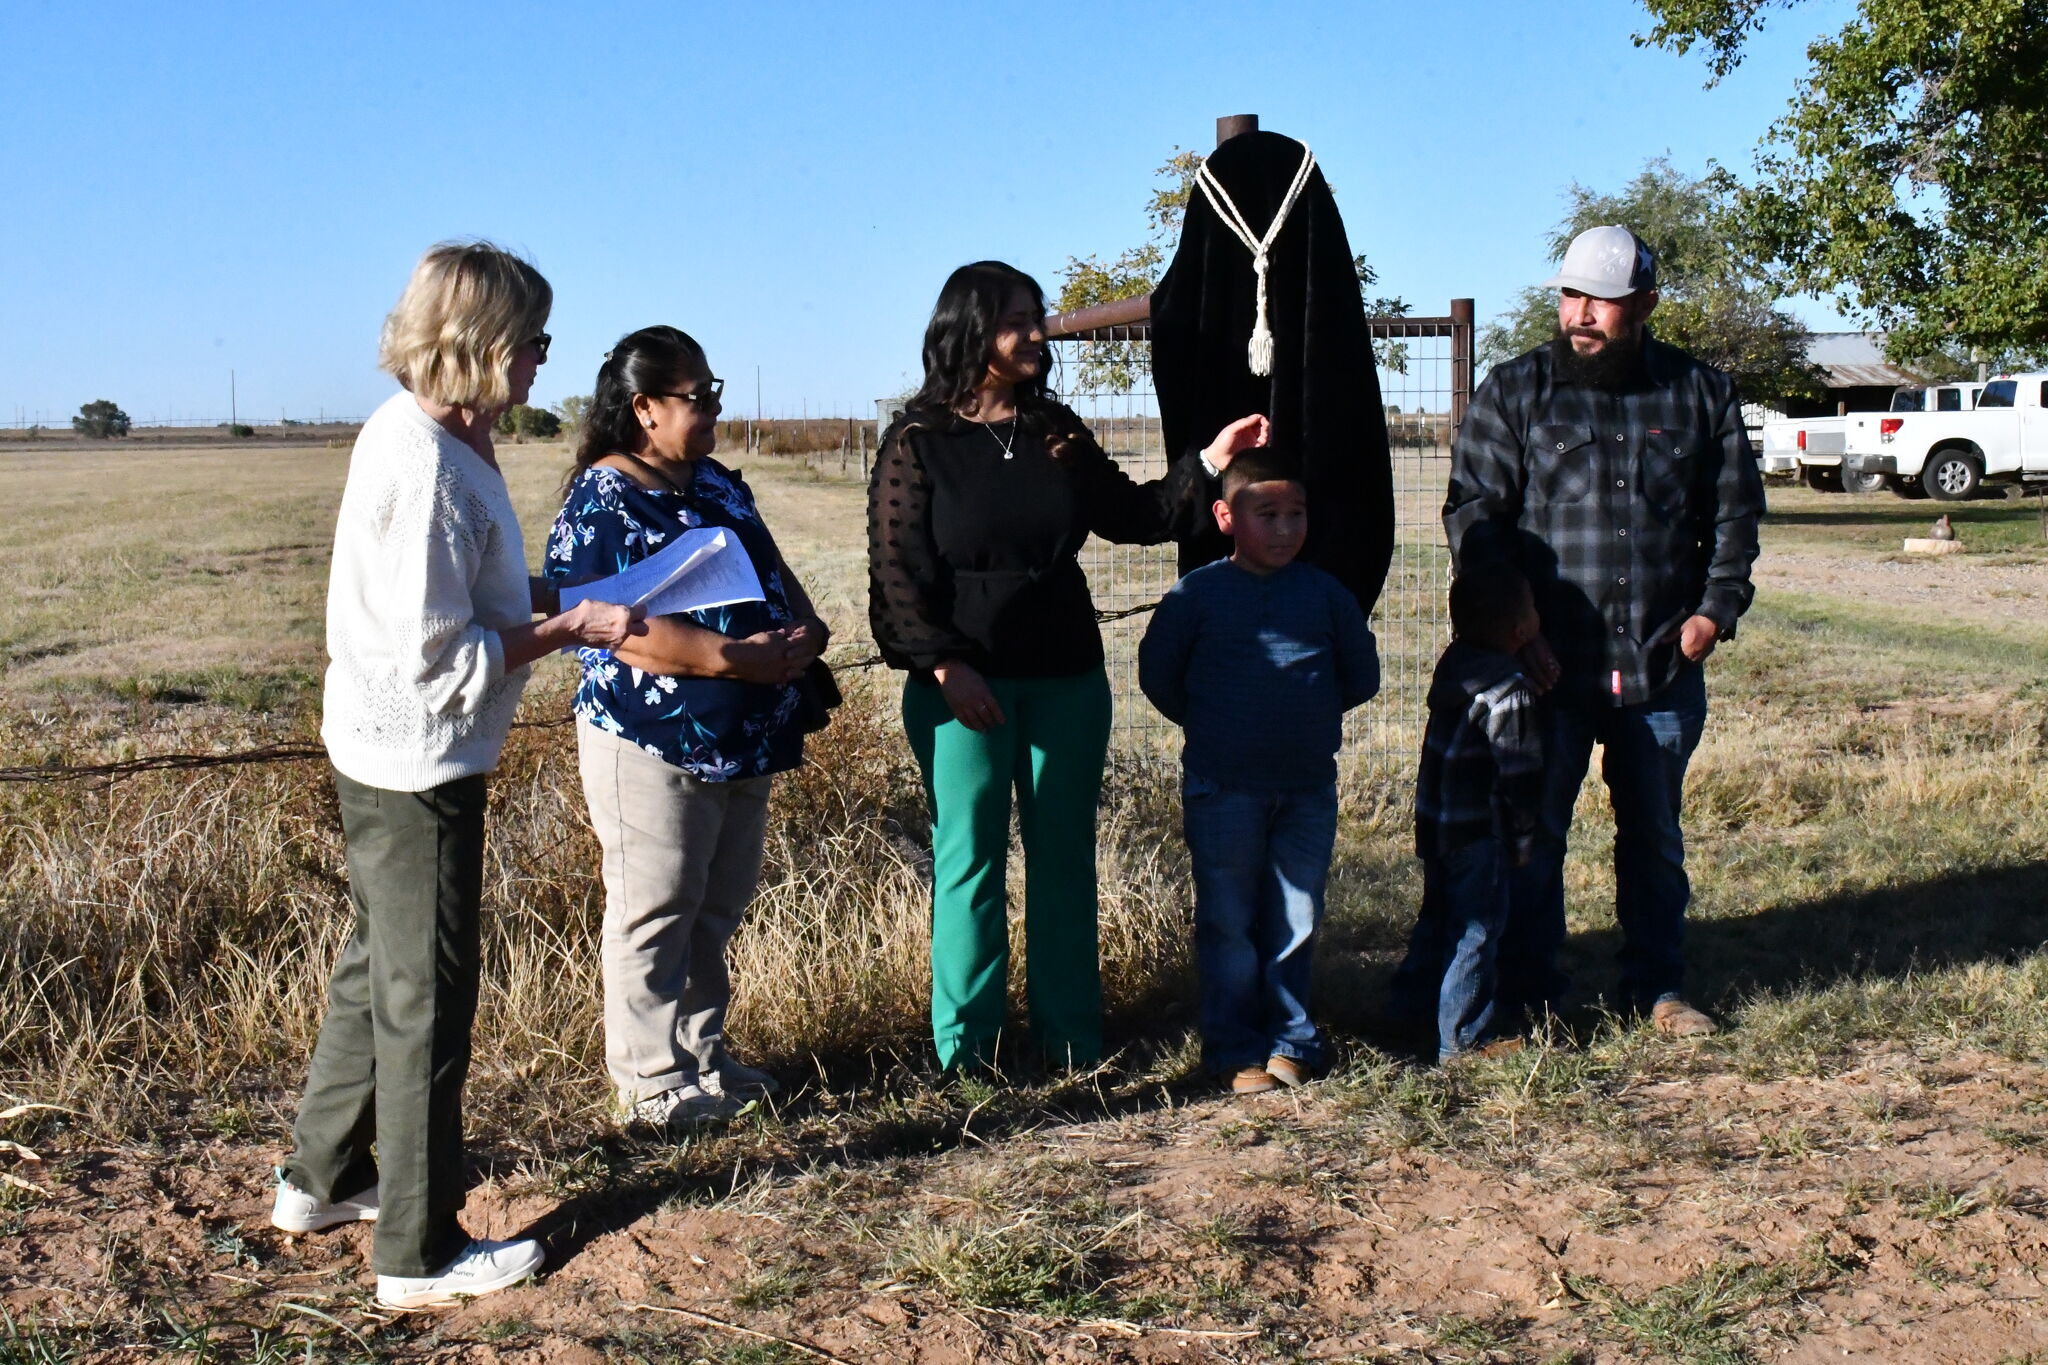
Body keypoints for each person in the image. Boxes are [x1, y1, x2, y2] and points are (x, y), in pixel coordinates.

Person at [275, 242, 643, 1309]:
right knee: (427, 996)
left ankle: (320, 1178)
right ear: (481, 345)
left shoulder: (430, 431)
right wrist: (568, 624)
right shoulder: (429, 466)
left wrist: (544, 591)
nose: (542, 359)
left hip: (382, 749)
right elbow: (440, 661)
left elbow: (451, 599)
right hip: (416, 764)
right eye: (531, 340)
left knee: (375, 967)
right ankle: (417, 1252)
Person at [868, 260, 1269, 1075]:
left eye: (1037, 315)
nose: (1037, 333)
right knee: (970, 862)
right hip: (962, 688)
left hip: (1067, 677)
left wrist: (1212, 457)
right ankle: (966, 1054)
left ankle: (1071, 1040)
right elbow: (896, 573)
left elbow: (1141, 514)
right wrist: (946, 667)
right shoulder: (919, 442)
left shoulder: (1055, 429)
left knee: (1063, 858)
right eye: (1016, 319)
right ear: (969, 330)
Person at [1443, 225, 1765, 1037]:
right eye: (1572, 295)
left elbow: (1735, 514)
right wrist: (1519, 627)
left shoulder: (1700, 393)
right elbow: (1476, 518)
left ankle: (1657, 989)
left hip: (1663, 662)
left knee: (1655, 837)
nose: (1583, 315)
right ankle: (1534, 995)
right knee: (1535, 837)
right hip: (1548, 669)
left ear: (1645, 305)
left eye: (1604, 302)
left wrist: (1711, 613)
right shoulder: (1515, 391)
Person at [543, 325, 829, 1130]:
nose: (710, 409)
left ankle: (704, 1057)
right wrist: (735, 658)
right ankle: (647, 1080)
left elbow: (772, 568)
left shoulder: (717, 483)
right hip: (649, 735)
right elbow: (603, 621)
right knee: (654, 905)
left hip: (739, 734)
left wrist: (803, 631)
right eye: (696, 397)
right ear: (644, 408)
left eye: (714, 394)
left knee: (716, 903)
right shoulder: (603, 496)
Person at [1137, 447, 1379, 1094]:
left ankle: (1292, 1041)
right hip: (1222, 788)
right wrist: (1216, 724)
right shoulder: (1196, 596)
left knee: (1297, 916)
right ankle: (1234, 1048)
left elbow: (1362, 675)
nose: (1283, 528)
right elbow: (1158, 675)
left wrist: (1301, 718)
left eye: (1295, 513)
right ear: (1224, 515)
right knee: (1227, 918)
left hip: (1306, 788)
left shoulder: (1327, 595)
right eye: (1265, 513)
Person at [1393, 564, 1545, 1062]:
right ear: (1521, 629)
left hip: (1437, 827)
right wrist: (1521, 839)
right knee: (1476, 932)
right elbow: (1518, 774)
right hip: (1481, 836)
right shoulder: (1511, 691)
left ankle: (1409, 1012)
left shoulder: (1454, 665)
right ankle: (1462, 1039)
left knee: (1436, 920)